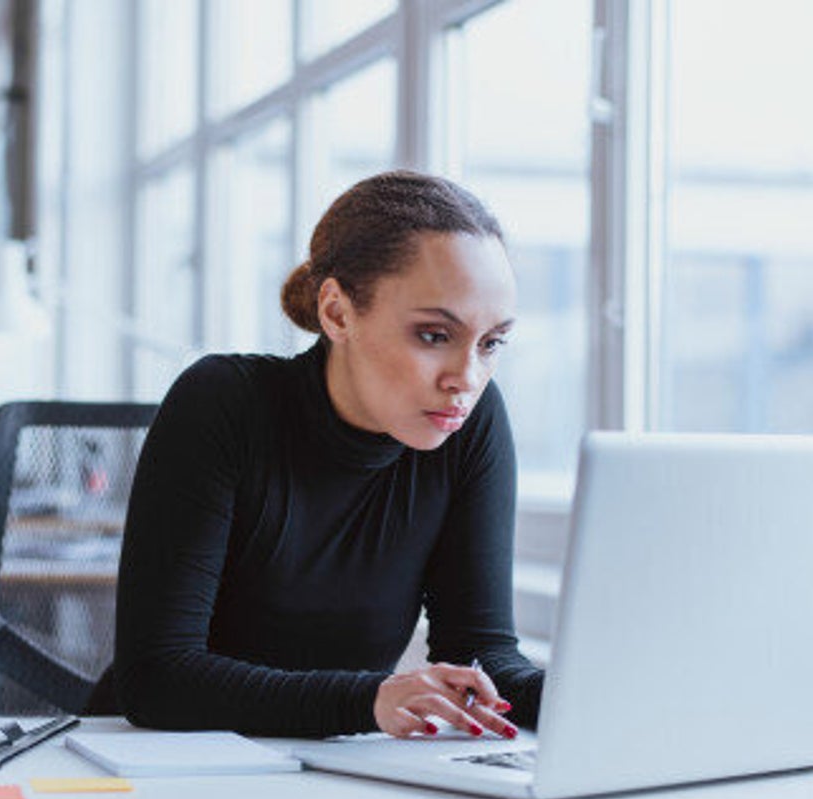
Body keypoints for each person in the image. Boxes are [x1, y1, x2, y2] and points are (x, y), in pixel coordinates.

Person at [114, 170, 545, 740]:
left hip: (333, 772)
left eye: (490, 344)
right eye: (435, 336)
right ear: (337, 312)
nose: (466, 379)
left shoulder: (472, 424)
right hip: (164, 770)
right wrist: (368, 701)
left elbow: (483, 657)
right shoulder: (221, 403)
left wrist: (612, 696)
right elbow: (155, 679)